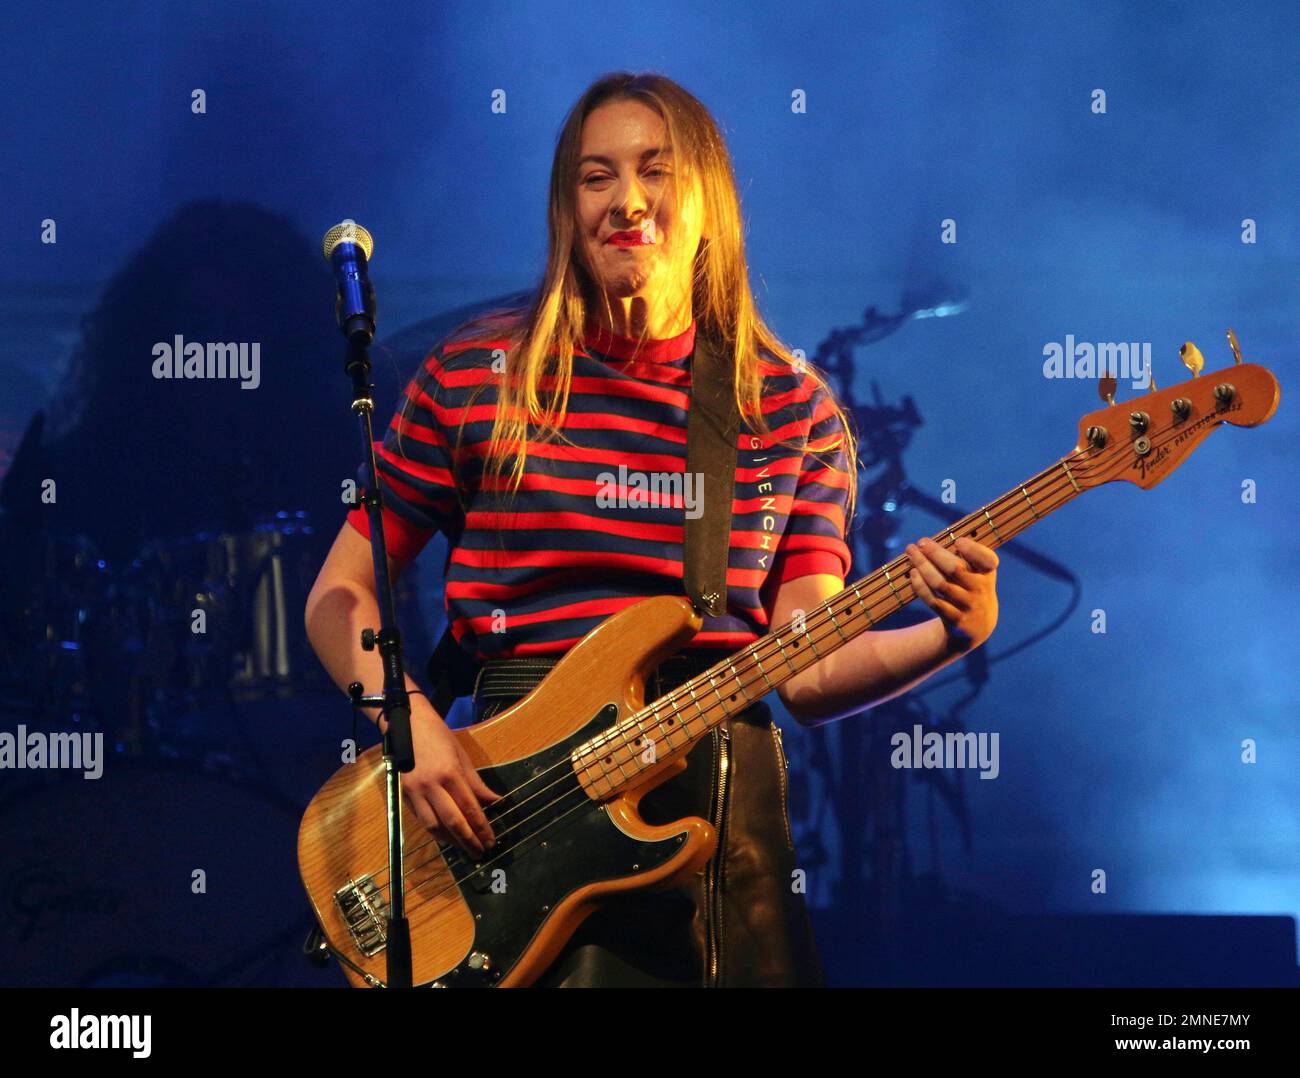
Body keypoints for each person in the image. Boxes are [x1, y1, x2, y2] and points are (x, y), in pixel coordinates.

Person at [304, 72, 999, 987]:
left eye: (655, 171)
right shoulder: (478, 373)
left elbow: (812, 666)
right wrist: (406, 724)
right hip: (511, 810)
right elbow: (338, 594)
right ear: (568, 206)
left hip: (721, 821)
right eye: (596, 177)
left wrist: (955, 629)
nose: (627, 200)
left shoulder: (789, 409)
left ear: (707, 198)